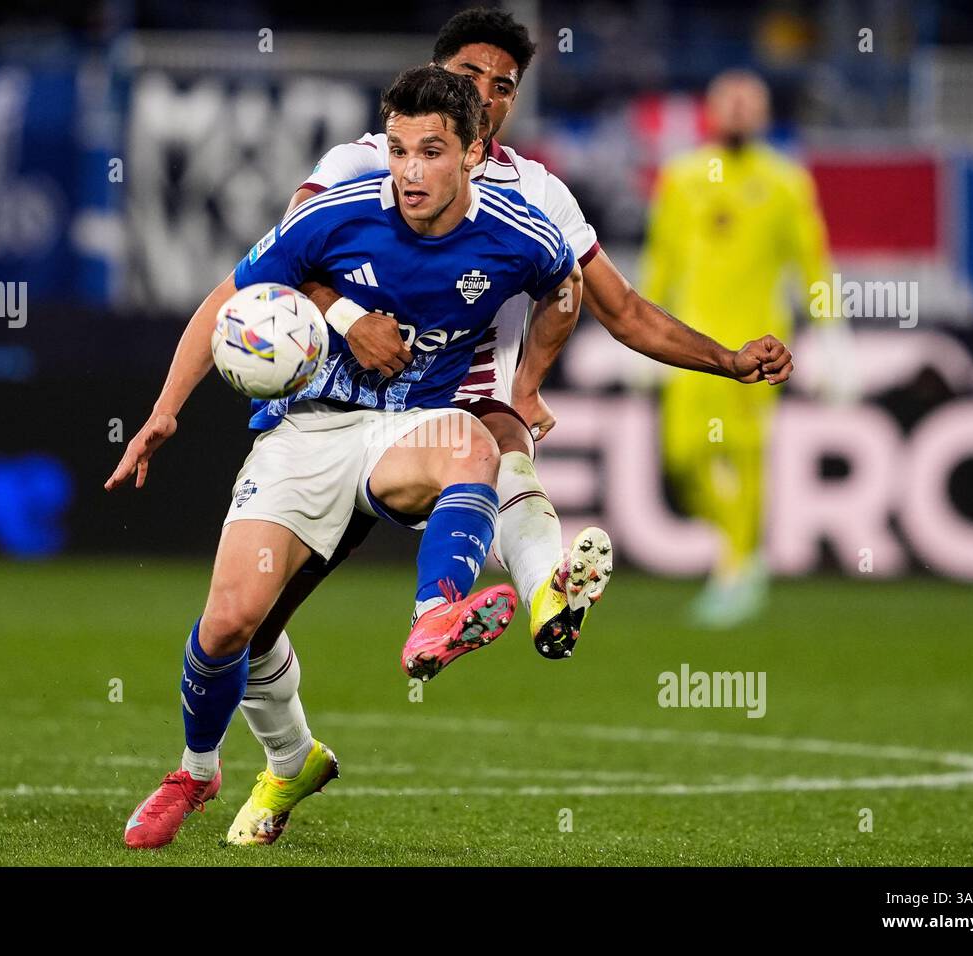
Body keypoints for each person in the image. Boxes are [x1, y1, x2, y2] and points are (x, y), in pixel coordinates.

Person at [221, 8, 797, 846]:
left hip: (455, 410)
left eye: (504, 86)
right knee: (252, 627)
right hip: (336, 416)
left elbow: (616, 307)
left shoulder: (538, 194)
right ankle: (285, 764)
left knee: (499, 441)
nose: (485, 97)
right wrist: (349, 316)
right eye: (468, 80)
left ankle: (540, 599)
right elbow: (286, 266)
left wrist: (722, 360)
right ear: (433, 81)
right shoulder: (361, 163)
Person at [106, 66, 584, 850]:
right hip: (305, 432)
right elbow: (226, 298)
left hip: (405, 434)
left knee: (472, 440)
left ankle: (436, 616)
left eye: (431, 152)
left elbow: (564, 289)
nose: (409, 171)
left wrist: (527, 383)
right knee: (231, 626)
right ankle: (201, 769)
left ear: (472, 154)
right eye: (398, 150)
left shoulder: (519, 233)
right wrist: (163, 414)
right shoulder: (334, 217)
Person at [642, 68, 835, 627]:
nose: (739, 112)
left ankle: (735, 570)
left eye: (750, 104)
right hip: (691, 346)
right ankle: (743, 549)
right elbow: (661, 260)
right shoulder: (680, 178)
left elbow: (812, 264)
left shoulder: (786, 182)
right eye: (730, 102)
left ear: (765, 115)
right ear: (711, 110)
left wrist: (832, 335)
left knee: (747, 456)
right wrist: (636, 336)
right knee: (682, 458)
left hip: (760, 344)